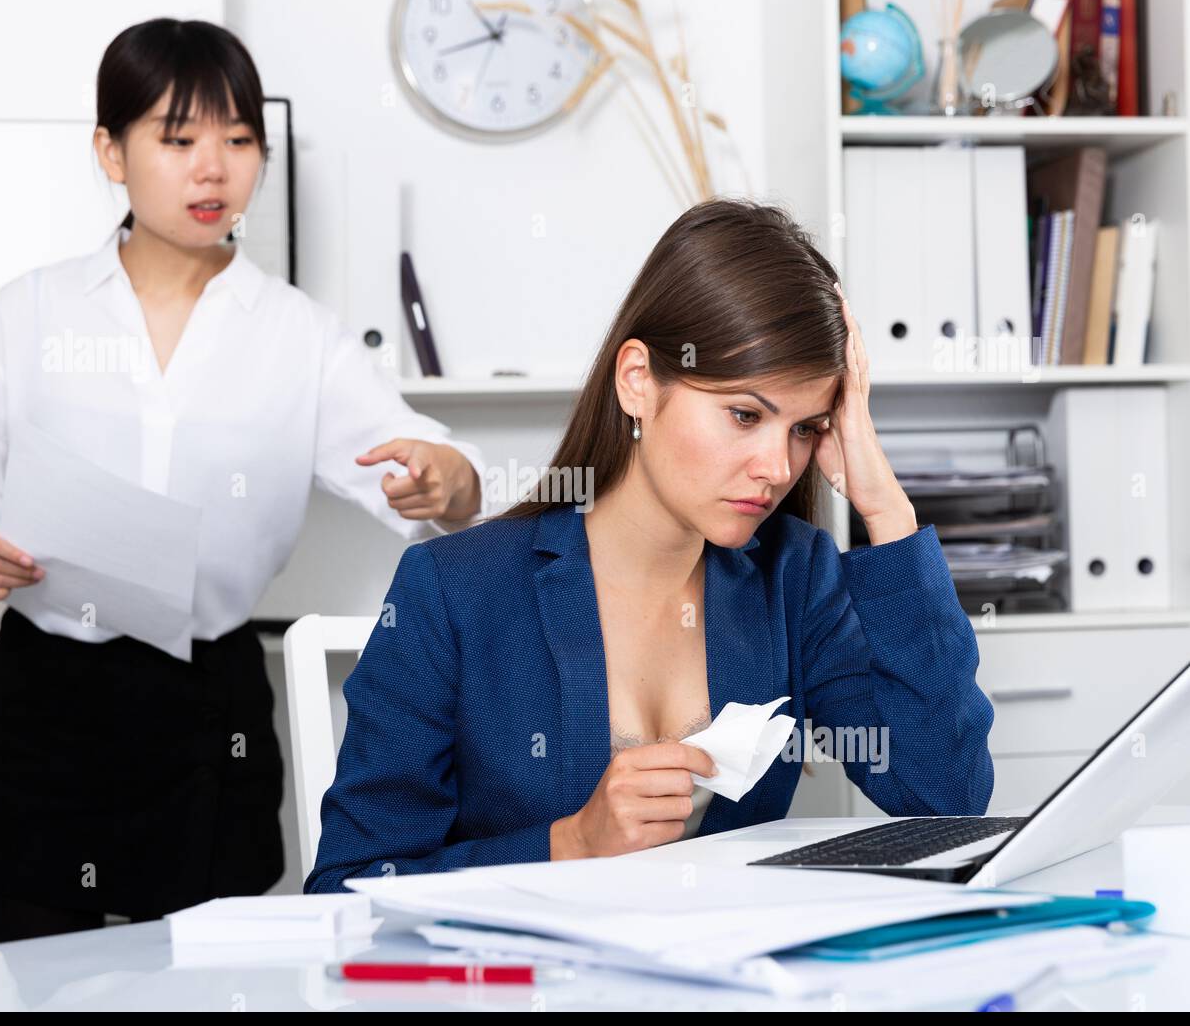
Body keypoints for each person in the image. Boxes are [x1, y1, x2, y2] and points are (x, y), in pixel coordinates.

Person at [0, 19, 491, 944]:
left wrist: (448, 480)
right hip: (45, 696)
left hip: (206, 705)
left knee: (199, 981)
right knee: (32, 987)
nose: (213, 169)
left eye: (238, 140)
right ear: (111, 150)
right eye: (178, 138)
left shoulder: (296, 333)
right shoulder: (27, 312)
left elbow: (428, 460)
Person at [304, 197, 995, 893]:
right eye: (745, 414)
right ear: (638, 382)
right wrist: (569, 844)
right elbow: (348, 886)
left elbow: (947, 799)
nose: (777, 468)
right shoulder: (452, 590)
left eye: (805, 428)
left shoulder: (794, 575)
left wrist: (888, 509)